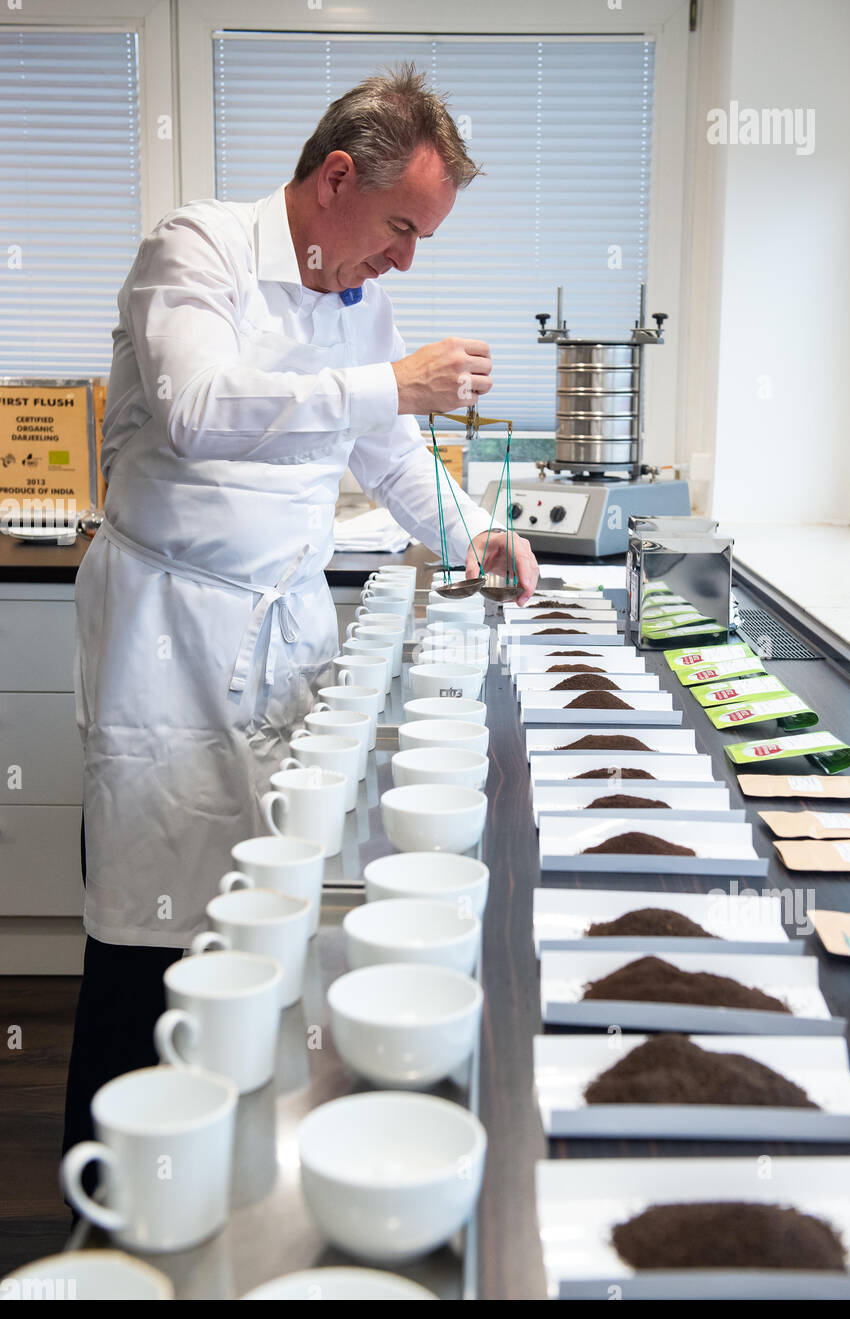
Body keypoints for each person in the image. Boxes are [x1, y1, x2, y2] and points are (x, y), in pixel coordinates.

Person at [62, 64, 538, 1166]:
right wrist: (393, 385)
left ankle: (238, 1171)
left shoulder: (360, 295)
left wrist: (468, 530)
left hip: (284, 639)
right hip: (167, 648)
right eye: (400, 225)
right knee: (155, 940)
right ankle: (121, 1199)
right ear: (336, 178)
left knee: (260, 931)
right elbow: (194, 410)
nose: (404, 258)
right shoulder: (198, 249)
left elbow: (385, 453)